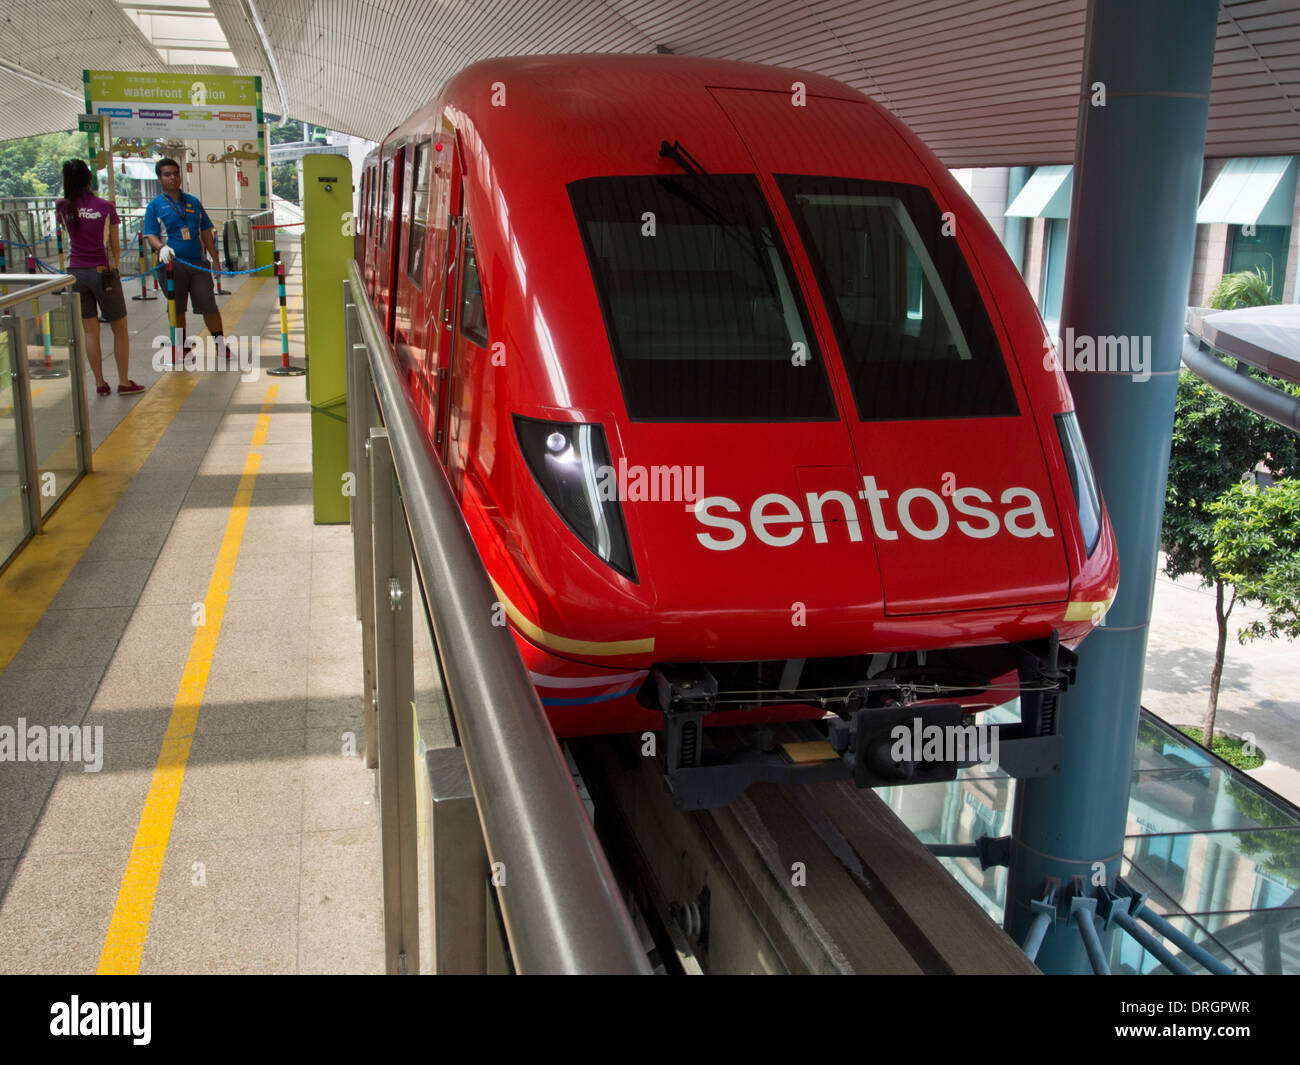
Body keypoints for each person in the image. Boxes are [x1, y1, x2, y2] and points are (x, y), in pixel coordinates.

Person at [56, 159, 143, 396]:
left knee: (90, 330)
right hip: (102, 272)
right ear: (89, 179)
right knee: (119, 327)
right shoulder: (105, 207)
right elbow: (114, 246)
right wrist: (113, 270)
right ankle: (124, 381)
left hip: (75, 273)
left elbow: (67, 236)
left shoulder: (61, 207)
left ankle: (99, 383)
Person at [142, 157, 226, 362]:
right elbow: (150, 234)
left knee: (209, 306)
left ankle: (221, 346)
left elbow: (206, 231)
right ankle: (182, 349)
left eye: (176, 174)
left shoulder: (193, 201)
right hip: (171, 265)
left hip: (198, 264)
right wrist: (161, 248)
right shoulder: (155, 206)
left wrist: (215, 259)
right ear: (160, 179)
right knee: (177, 308)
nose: (173, 178)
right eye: (167, 175)